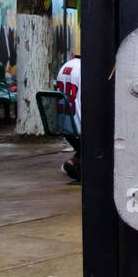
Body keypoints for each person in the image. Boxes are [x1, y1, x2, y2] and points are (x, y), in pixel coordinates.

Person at [55, 53, 81, 181]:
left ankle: (77, 159)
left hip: (67, 126)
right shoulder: (85, 68)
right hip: (79, 126)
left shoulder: (66, 66)